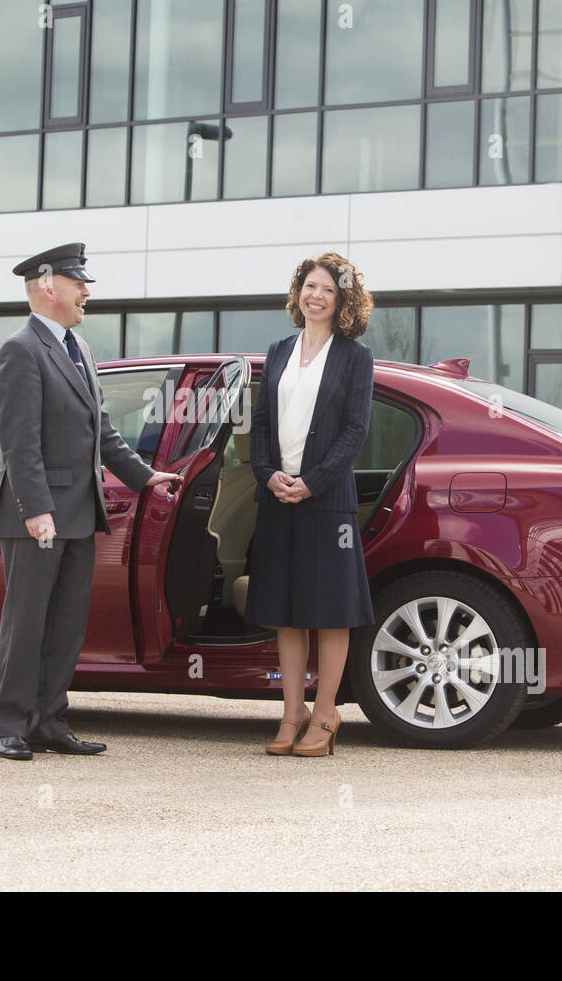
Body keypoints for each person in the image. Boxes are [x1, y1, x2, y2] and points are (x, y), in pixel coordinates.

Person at [0, 242, 179, 760]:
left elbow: (104, 433)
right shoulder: (21, 349)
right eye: (78, 283)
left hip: (79, 511)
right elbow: (19, 442)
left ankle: (48, 722)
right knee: (27, 622)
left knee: (67, 624)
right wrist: (37, 510)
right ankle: (11, 726)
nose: (86, 292)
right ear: (48, 287)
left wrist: (144, 477)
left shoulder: (79, 349)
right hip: (40, 514)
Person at [244, 252, 375, 757]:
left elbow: (355, 430)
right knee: (288, 612)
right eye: (308, 286)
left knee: (329, 612)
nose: (314, 295)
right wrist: (267, 473)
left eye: (326, 289)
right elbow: (258, 424)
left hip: (326, 502)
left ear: (342, 300)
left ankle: (324, 715)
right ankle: (290, 711)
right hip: (277, 498)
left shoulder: (354, 356)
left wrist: (312, 482)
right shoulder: (277, 350)